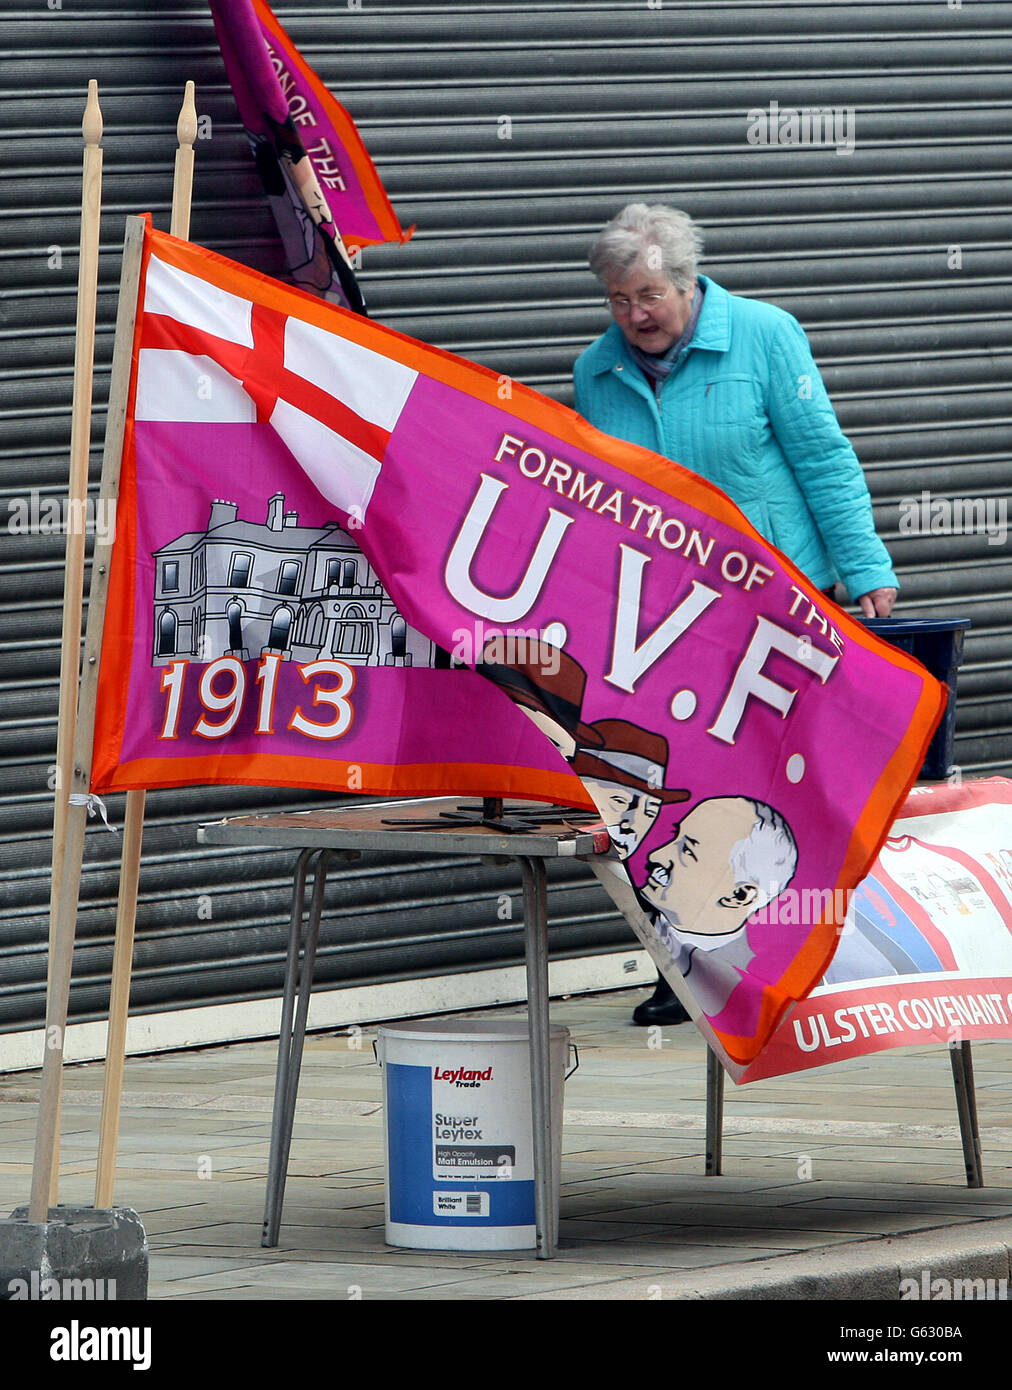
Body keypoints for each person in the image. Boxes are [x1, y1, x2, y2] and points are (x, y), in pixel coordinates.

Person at [574, 202, 899, 1025]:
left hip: (780, 608)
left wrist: (865, 570)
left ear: (687, 283)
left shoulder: (764, 336)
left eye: (646, 294)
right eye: (616, 299)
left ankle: (826, 953)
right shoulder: (595, 371)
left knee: (793, 783)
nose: (632, 315)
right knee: (682, 793)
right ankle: (686, 967)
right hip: (666, 623)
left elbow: (822, 456)